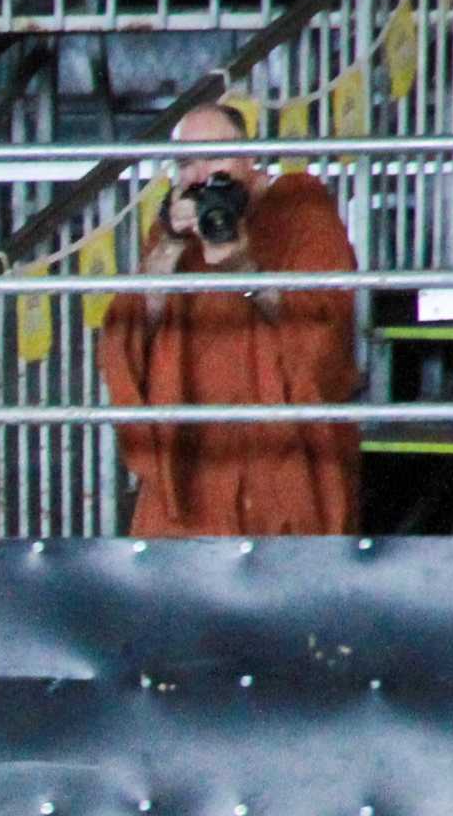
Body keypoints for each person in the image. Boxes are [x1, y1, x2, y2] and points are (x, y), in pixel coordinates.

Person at [98, 102, 364, 536]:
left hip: (282, 457)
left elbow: (324, 330)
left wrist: (242, 268)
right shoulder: (172, 231)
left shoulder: (298, 206)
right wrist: (167, 247)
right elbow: (126, 342)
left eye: (215, 157)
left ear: (250, 158)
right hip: (193, 462)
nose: (202, 177)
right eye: (187, 162)